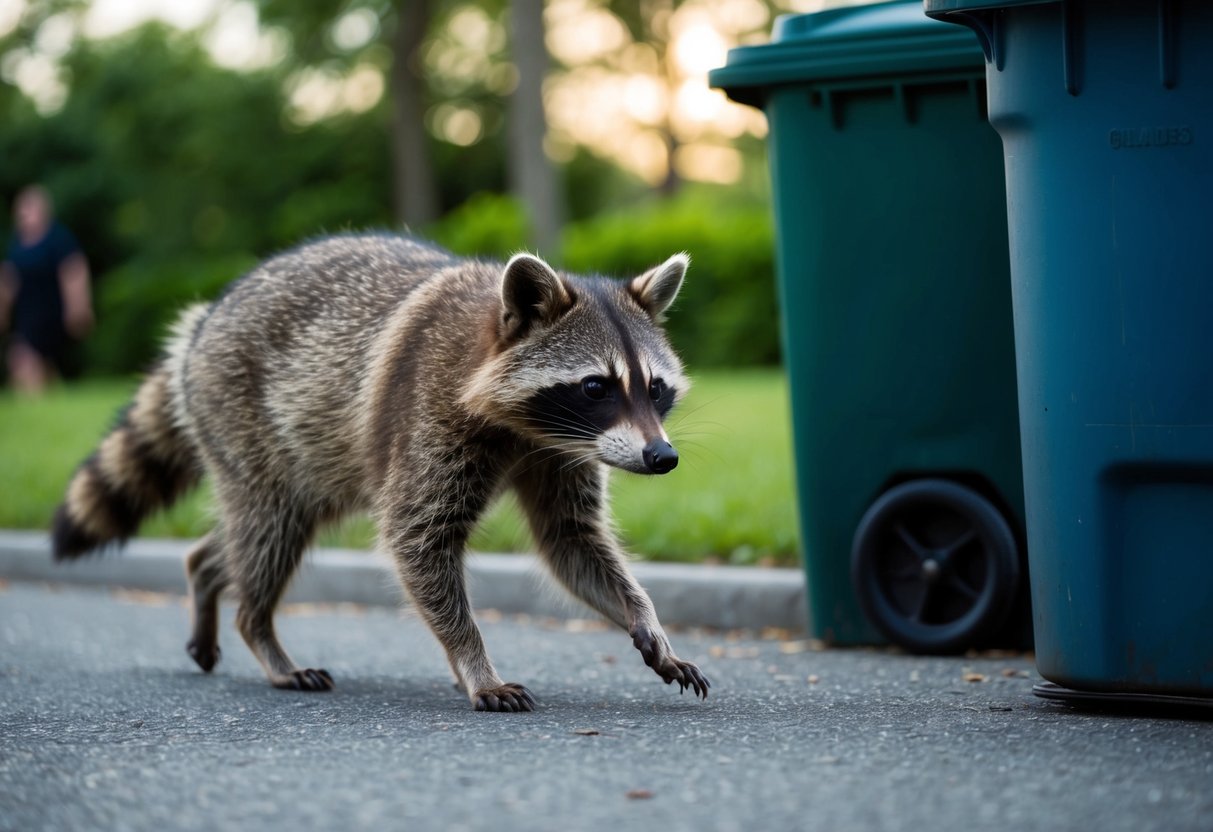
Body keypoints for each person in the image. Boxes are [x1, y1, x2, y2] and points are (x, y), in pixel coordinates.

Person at [0, 185, 93, 393]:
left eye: (29, 209)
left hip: (53, 312)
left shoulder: (58, 239)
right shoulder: (17, 245)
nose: (24, 215)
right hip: (27, 315)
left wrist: (78, 306)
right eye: (21, 210)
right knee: (24, 358)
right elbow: (8, 279)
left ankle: (35, 402)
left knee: (31, 361)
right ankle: (44, 403)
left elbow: (75, 272)